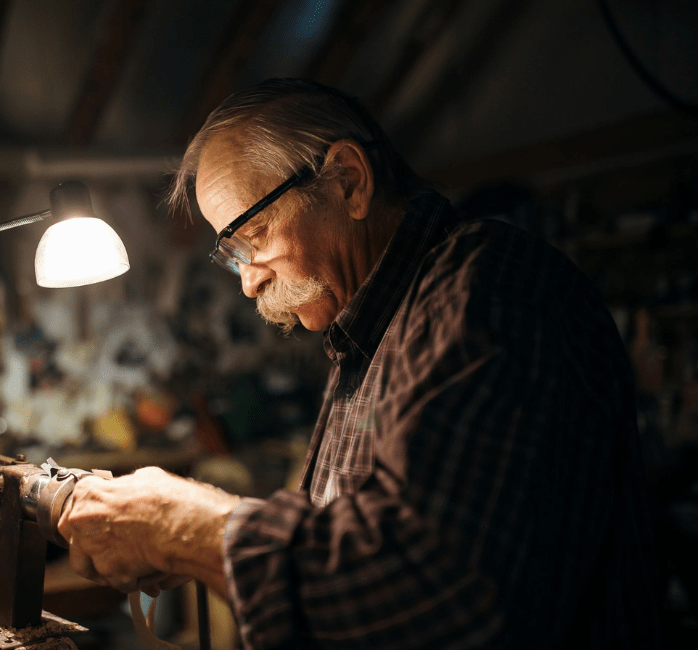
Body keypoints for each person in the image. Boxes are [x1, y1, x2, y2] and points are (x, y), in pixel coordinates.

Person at [54, 79, 662, 649]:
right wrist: (189, 544)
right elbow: (345, 551)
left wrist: (185, 525)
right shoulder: (365, 338)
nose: (246, 281)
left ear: (348, 180)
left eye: (254, 234)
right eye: (231, 252)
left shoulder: (489, 290)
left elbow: (434, 596)